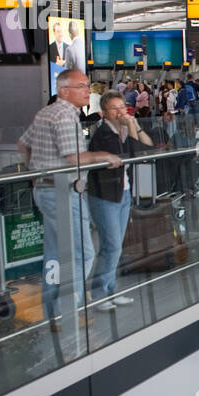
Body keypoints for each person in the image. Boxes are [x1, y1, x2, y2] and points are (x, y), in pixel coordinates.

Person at [17, 69, 122, 333]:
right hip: (63, 193)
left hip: (45, 189)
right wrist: (104, 156)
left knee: (54, 254)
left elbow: (22, 144)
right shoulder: (64, 115)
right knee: (82, 253)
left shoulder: (45, 113)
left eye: (87, 86)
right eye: (82, 86)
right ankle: (69, 308)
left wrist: (35, 174)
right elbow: (73, 158)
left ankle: (53, 313)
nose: (88, 91)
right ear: (64, 91)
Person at [86, 91, 154, 310]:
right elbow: (132, 153)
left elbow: (147, 147)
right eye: (115, 108)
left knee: (115, 246)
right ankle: (98, 294)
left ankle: (110, 290)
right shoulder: (103, 134)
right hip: (105, 195)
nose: (121, 112)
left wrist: (135, 125)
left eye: (122, 107)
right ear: (104, 113)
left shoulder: (124, 129)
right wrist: (131, 126)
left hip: (123, 193)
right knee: (111, 245)